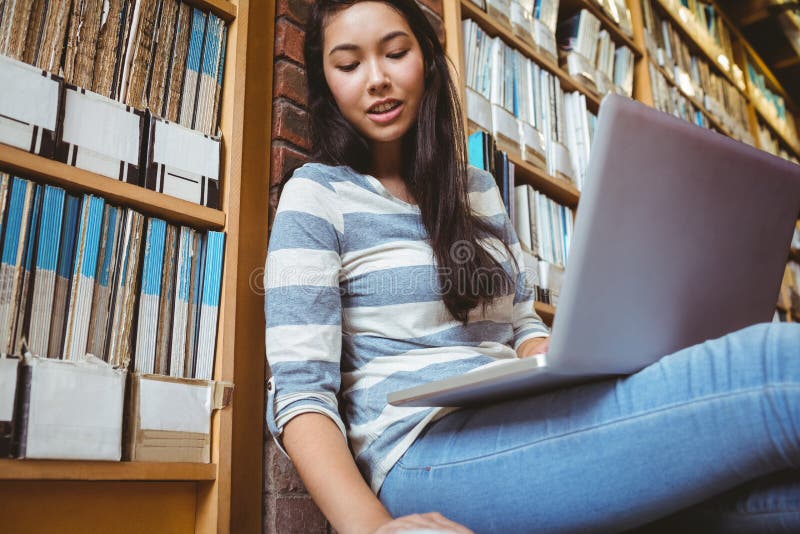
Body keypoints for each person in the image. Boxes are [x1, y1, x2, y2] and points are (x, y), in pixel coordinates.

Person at [263, 1, 800, 532]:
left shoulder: (477, 189)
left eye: (396, 52)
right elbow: (301, 393)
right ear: (326, 83)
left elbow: (521, 324)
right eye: (349, 64)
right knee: (775, 361)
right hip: (420, 446)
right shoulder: (318, 194)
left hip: (528, 414)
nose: (376, 79)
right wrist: (373, 527)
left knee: (781, 499)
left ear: (425, 58)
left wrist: (549, 352)